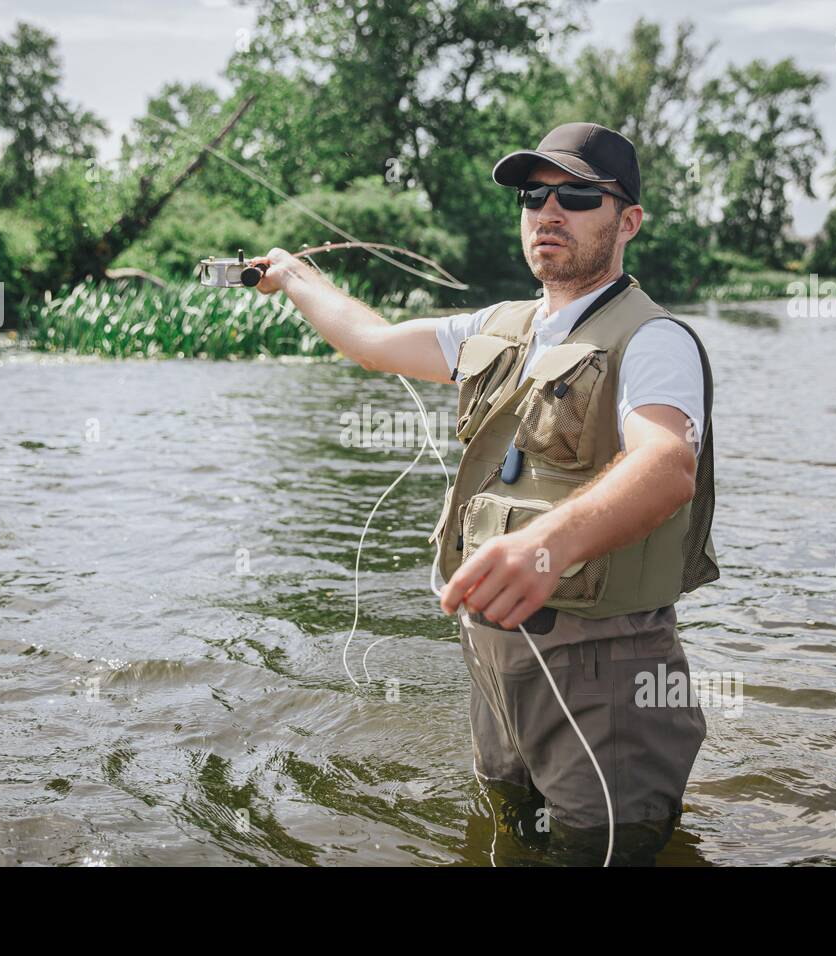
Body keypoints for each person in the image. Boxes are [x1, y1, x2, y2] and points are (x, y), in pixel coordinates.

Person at [249, 122, 718, 864]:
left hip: (607, 670)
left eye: (577, 195)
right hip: (496, 665)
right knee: (506, 831)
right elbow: (372, 343)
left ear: (627, 221)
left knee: (605, 851)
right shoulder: (497, 327)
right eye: (535, 195)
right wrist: (295, 277)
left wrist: (544, 544)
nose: (548, 212)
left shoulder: (654, 340)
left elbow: (666, 465)